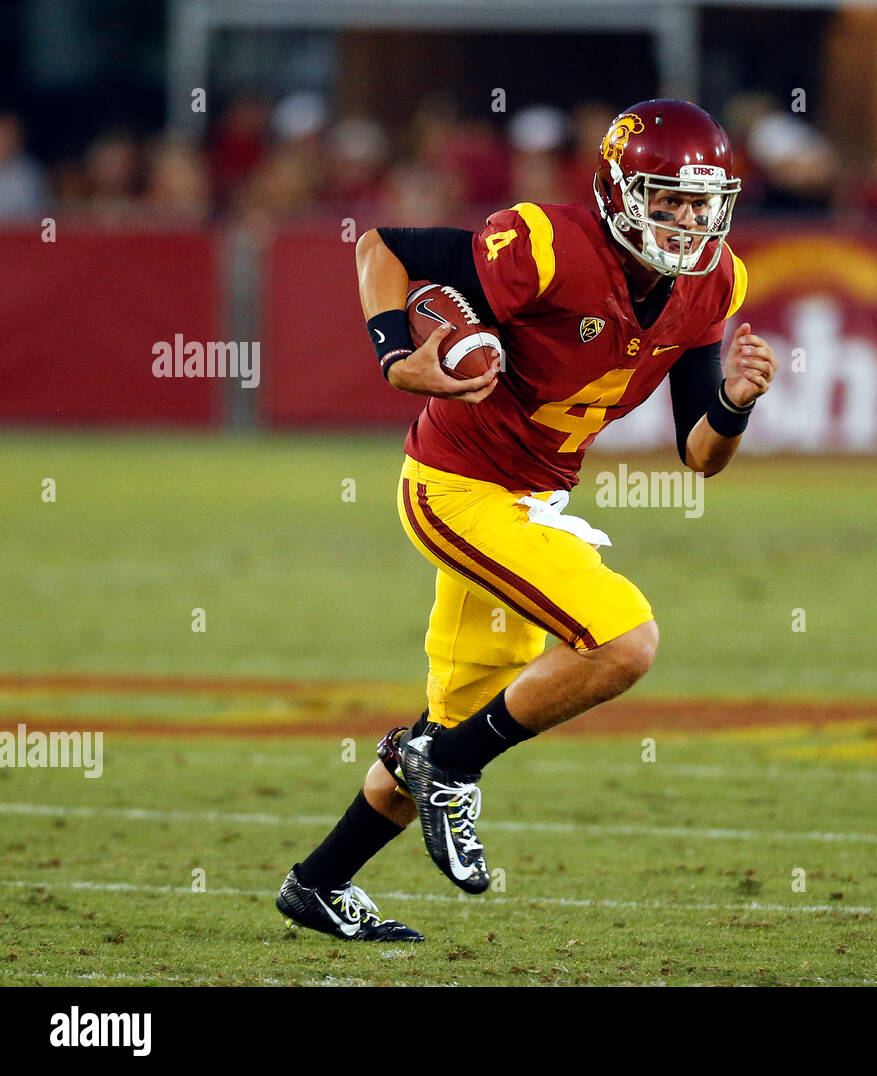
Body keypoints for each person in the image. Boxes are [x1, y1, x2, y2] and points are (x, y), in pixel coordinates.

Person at [276, 99, 777, 940]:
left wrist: (731, 405)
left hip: (531, 500)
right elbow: (383, 248)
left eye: (703, 203)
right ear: (620, 193)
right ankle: (448, 766)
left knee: (451, 724)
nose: (688, 220)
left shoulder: (712, 283)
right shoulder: (547, 245)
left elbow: (699, 458)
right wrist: (400, 358)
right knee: (624, 640)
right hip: (455, 488)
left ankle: (320, 883)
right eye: (667, 199)